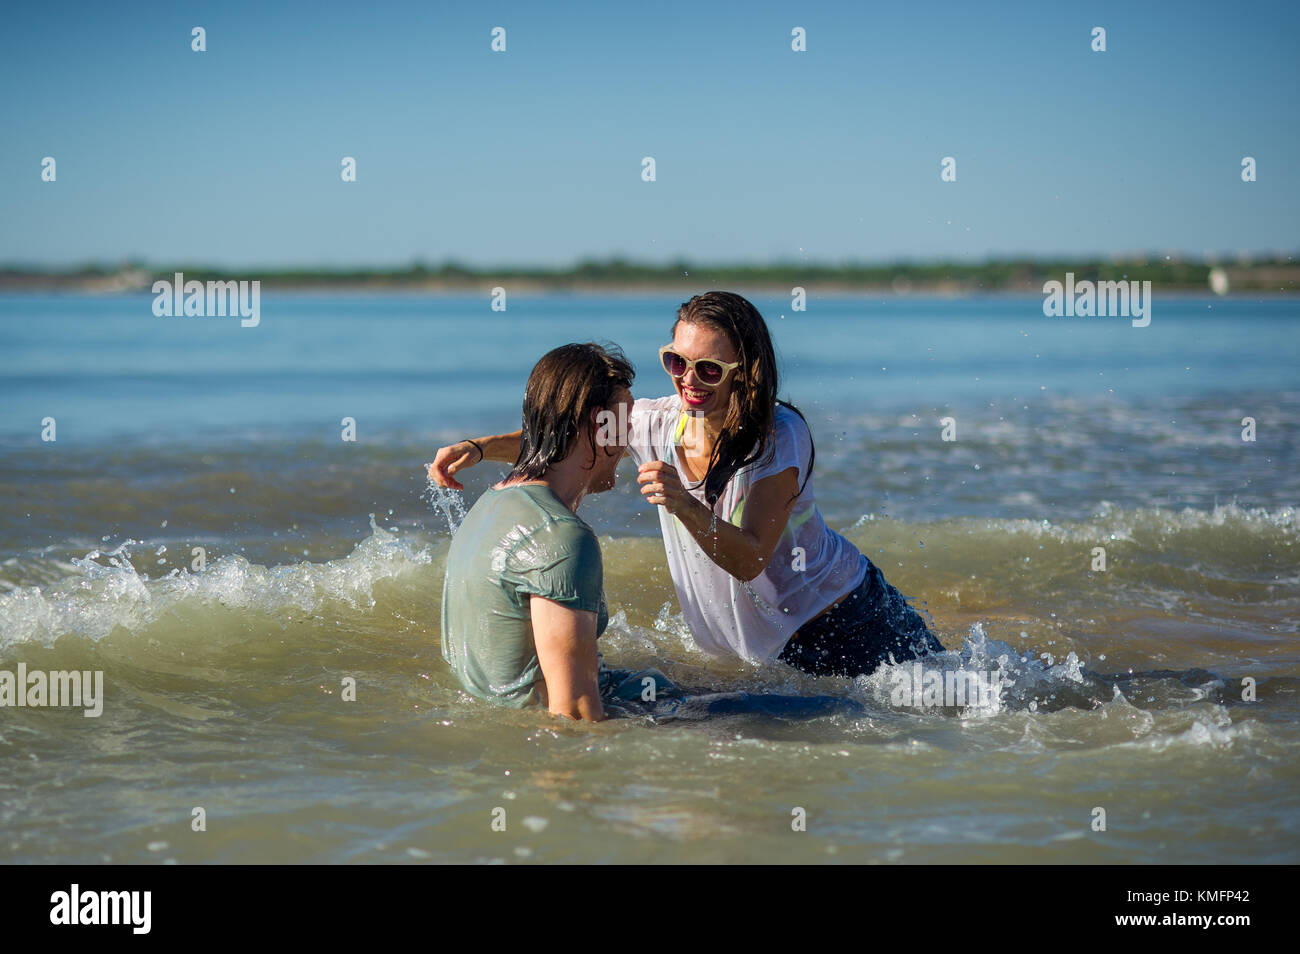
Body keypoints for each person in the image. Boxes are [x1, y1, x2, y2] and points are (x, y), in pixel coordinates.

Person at [431, 292, 944, 679]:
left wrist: (682, 503)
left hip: (843, 626)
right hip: (761, 651)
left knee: (957, 708)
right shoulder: (658, 421)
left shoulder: (779, 438)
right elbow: (570, 434)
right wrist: (477, 448)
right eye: (675, 362)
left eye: (708, 369)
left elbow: (749, 559)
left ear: (746, 372)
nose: (687, 380)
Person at [439, 342, 633, 723]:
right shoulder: (560, 538)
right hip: (535, 741)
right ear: (600, 427)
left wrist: (480, 448)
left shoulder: (490, 506)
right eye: (625, 425)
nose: (628, 446)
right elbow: (574, 718)